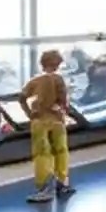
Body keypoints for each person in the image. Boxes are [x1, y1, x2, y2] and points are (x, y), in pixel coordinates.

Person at [21, 50, 76, 203]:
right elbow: (64, 102)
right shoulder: (59, 80)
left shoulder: (35, 81)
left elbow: (21, 97)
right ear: (57, 64)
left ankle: (45, 188)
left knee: (41, 154)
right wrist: (63, 110)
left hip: (39, 121)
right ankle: (62, 183)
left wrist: (29, 113)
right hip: (57, 121)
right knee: (61, 151)